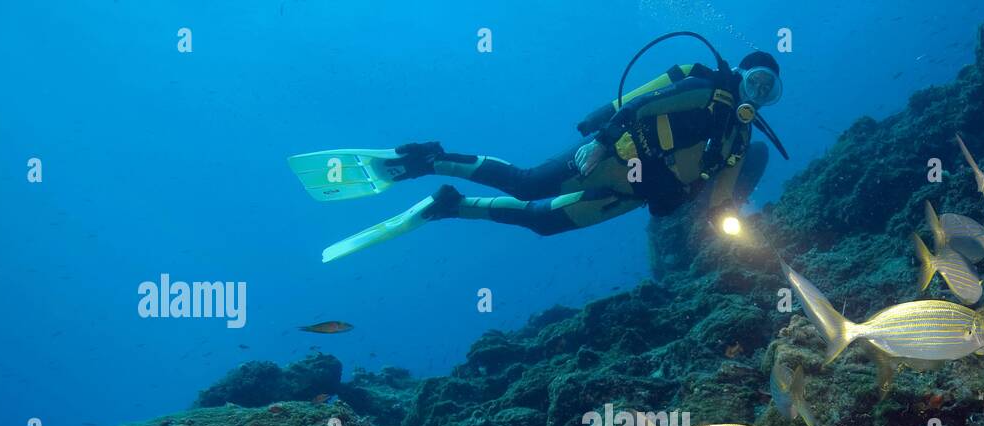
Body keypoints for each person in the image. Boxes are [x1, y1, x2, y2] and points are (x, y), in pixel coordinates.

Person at [288, 50, 782, 261]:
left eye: (768, 91)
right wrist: (602, 141)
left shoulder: (737, 139)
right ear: (739, 74)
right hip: (612, 157)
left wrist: (727, 222)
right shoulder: (706, 91)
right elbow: (644, 105)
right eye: (755, 81)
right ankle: (428, 159)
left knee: (542, 223)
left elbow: (720, 197)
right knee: (527, 184)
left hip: (627, 194)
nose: (757, 93)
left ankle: (450, 204)